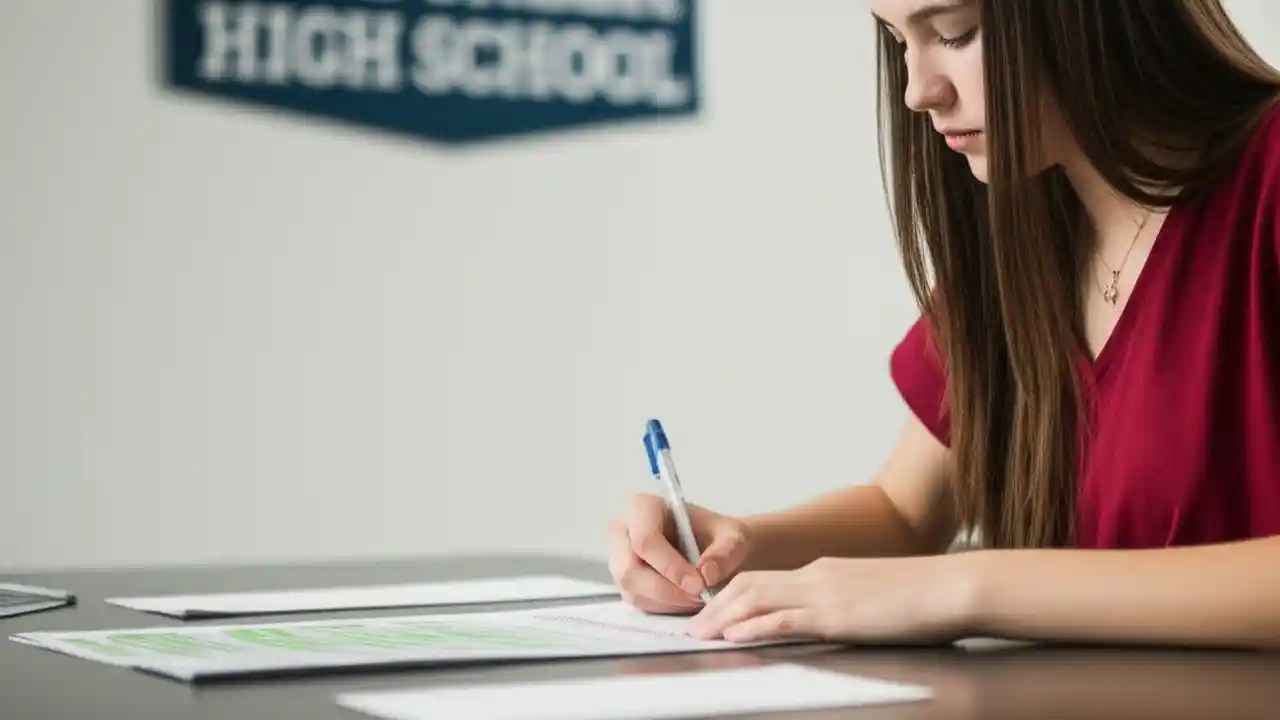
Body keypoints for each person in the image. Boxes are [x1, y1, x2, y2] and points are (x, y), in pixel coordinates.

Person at [606, 0, 1280, 649]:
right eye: (900, 43)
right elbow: (905, 512)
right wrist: (737, 544)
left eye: (955, 34)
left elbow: (934, 567)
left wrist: (968, 586)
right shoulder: (1024, 234)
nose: (916, 92)